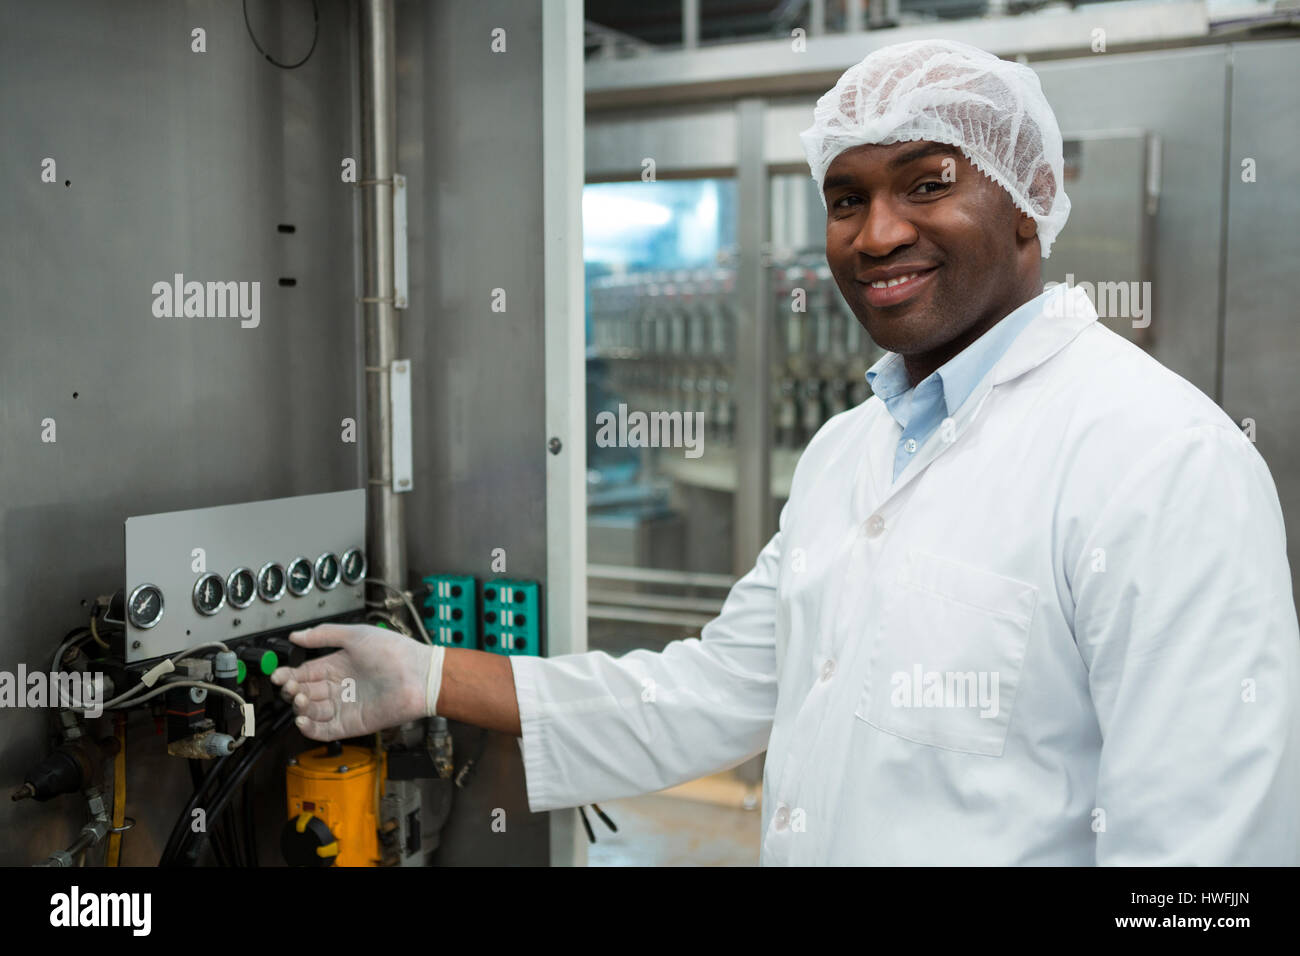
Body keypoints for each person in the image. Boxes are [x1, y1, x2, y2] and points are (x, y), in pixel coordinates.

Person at [271, 39, 1300, 865]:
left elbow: (1207, 857)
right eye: (846, 198)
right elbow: (710, 693)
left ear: (1029, 204)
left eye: (926, 182)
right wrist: (428, 674)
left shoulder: (1160, 461)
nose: (875, 233)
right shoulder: (849, 450)